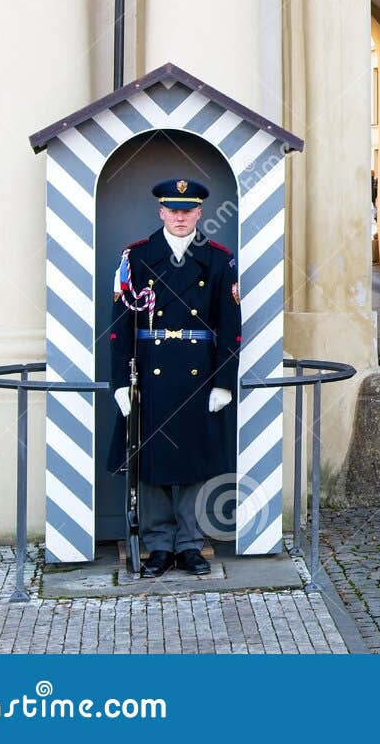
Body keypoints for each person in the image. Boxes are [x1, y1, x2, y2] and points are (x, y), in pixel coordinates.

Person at [107, 177, 242, 576]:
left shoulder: (218, 259)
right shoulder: (136, 257)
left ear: (199, 213)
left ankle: (189, 544)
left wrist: (223, 381)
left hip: (198, 374)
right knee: (149, 461)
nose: (180, 217)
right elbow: (120, 327)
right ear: (161, 212)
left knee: (193, 461)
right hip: (150, 373)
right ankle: (158, 545)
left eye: (188, 210)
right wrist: (119, 382)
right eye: (173, 210)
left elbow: (230, 325)